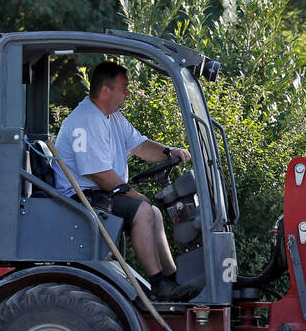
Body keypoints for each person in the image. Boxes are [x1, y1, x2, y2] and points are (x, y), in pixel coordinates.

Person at [53, 60, 199, 302]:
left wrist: (168, 152)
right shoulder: (86, 119)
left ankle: (173, 279)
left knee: (153, 211)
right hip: (81, 199)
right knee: (143, 210)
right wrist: (132, 193)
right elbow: (97, 173)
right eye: (124, 87)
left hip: (100, 193)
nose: (128, 93)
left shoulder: (112, 118)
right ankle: (159, 284)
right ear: (106, 90)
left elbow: (140, 145)